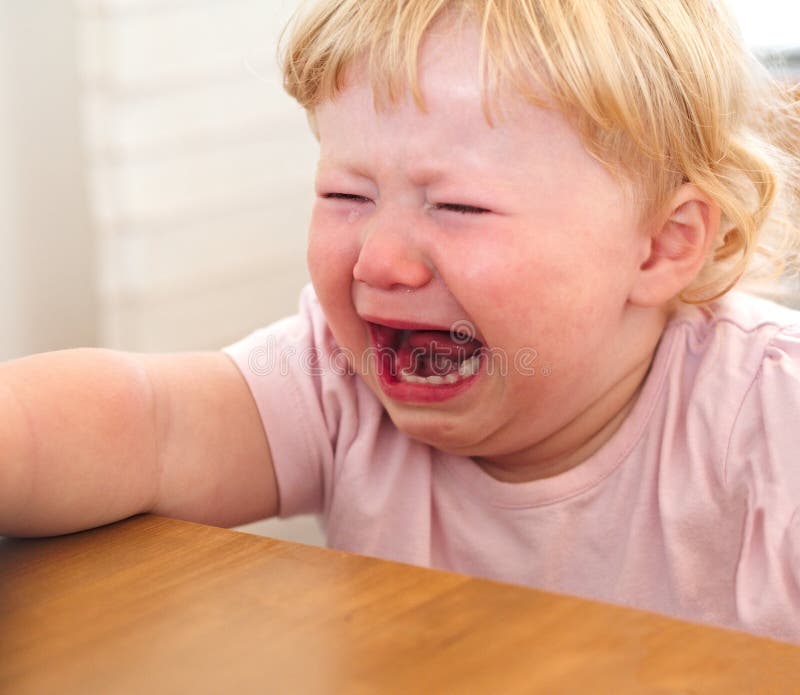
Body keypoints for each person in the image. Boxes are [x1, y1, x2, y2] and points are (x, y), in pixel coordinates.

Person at [2, 0, 799, 643]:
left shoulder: (774, 423)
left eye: (457, 206)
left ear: (663, 244)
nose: (378, 260)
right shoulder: (338, 383)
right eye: (346, 195)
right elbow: (152, 419)